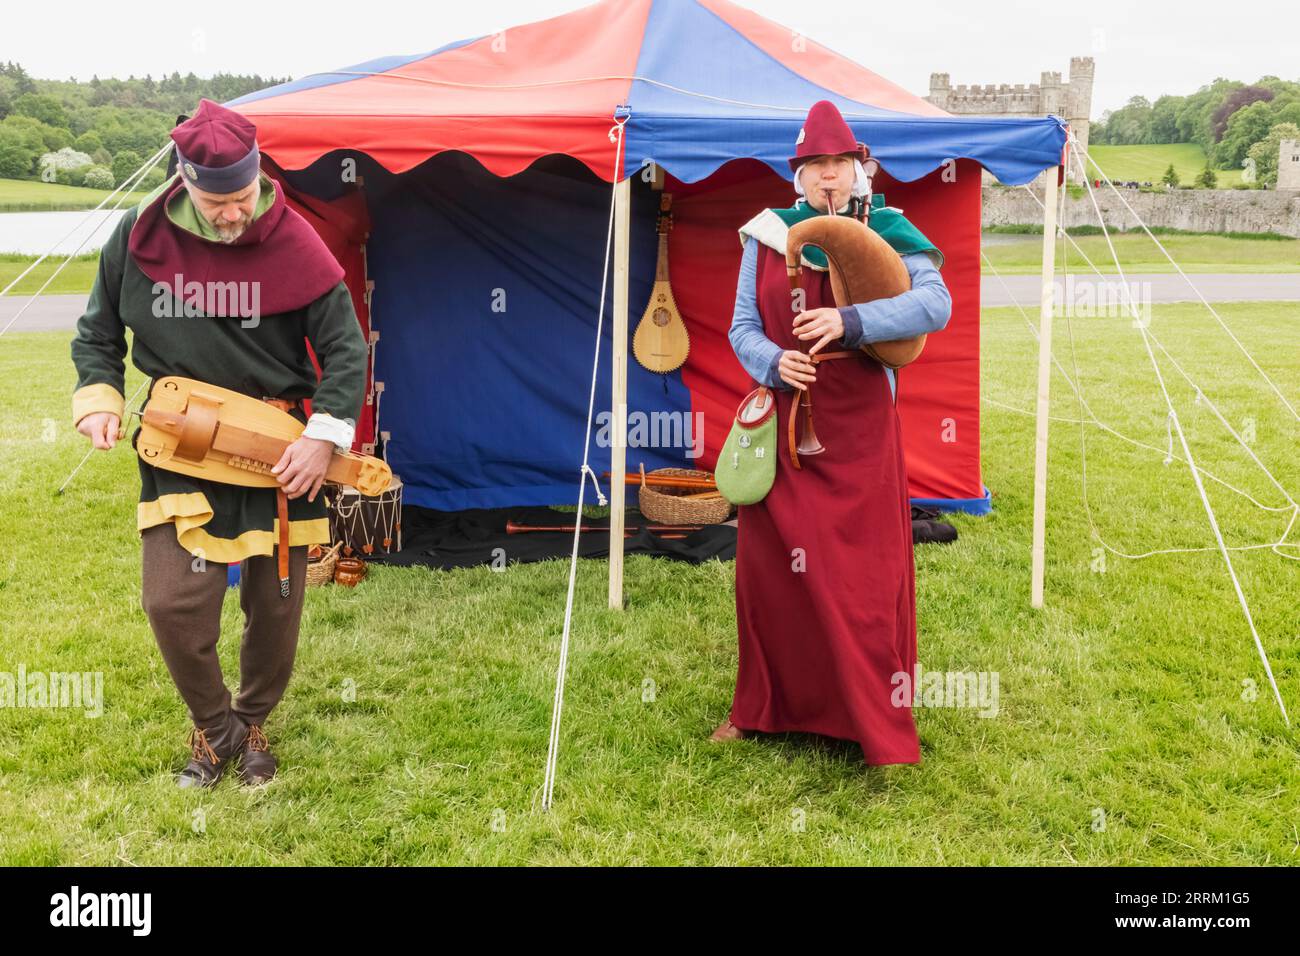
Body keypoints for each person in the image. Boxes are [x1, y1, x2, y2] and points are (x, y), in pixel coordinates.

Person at [70, 99, 368, 787]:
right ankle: (216, 726)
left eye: (242, 197)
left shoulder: (294, 238)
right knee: (171, 601)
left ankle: (255, 719)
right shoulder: (137, 237)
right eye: (217, 202)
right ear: (185, 183)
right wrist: (98, 397)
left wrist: (322, 438)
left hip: (277, 450)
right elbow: (98, 332)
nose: (234, 214)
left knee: (274, 605)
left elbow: (345, 349)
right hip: (181, 442)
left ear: (259, 175)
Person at [713, 100, 952, 765]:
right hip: (788, 422)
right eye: (815, 166)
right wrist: (772, 361)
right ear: (798, 175)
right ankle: (763, 708)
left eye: (839, 166)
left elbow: (935, 304)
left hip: (860, 427)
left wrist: (850, 324)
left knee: (858, 577)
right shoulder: (765, 234)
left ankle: (867, 719)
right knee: (773, 574)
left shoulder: (890, 229)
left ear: (859, 170)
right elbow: (740, 329)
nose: (827, 179)